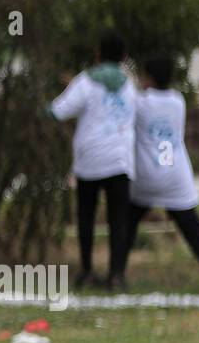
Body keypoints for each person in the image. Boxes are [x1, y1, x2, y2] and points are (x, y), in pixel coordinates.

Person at [50, 33, 136, 291]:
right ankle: (116, 275)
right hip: (120, 158)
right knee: (118, 220)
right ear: (124, 57)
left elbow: (59, 110)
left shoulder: (86, 81)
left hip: (90, 159)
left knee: (86, 218)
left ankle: (86, 271)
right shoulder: (129, 85)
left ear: (98, 54)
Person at [127, 56, 199, 293]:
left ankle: (115, 272)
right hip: (176, 174)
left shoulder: (140, 102)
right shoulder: (178, 101)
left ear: (148, 77)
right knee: (192, 227)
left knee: (126, 224)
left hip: (148, 174)